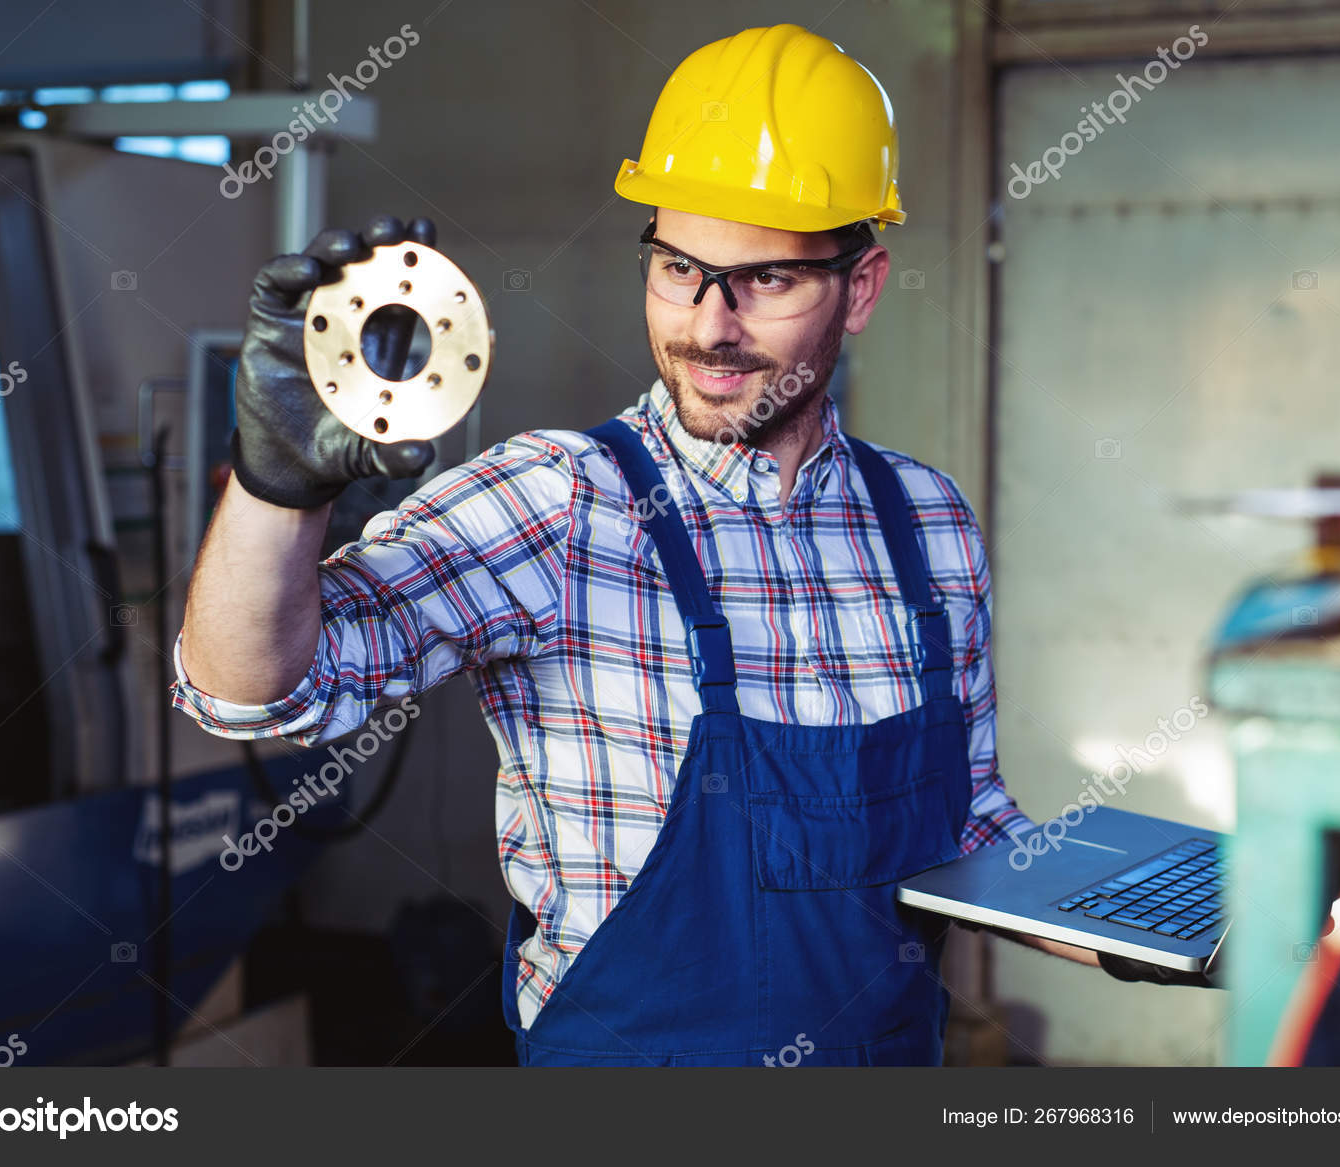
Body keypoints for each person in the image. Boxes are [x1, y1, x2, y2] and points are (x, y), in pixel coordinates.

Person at [174, 23, 1182, 1067]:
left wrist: (1164, 921)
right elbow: (248, 695)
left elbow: (965, 826)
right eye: (678, 268)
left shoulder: (926, 522)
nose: (709, 324)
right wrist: (274, 491)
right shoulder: (557, 504)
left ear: (862, 287)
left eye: (767, 281)